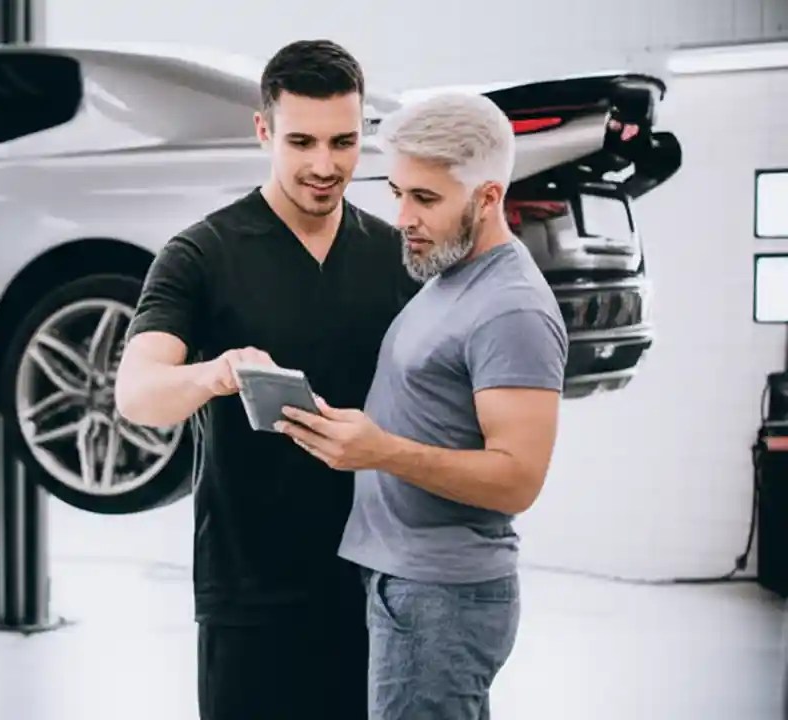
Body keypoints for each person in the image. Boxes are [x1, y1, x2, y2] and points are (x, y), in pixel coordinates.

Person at [114, 39, 420, 720]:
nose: (324, 165)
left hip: (377, 589)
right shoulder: (201, 254)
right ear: (263, 131)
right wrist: (214, 375)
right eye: (301, 142)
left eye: (343, 142)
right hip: (248, 594)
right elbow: (138, 394)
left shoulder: (395, 258)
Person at [275, 91, 570, 719]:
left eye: (426, 199)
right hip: (407, 586)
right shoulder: (448, 275)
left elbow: (518, 479)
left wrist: (382, 451)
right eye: (399, 192)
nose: (404, 216)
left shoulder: (511, 307)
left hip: (443, 598)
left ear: (489, 197)